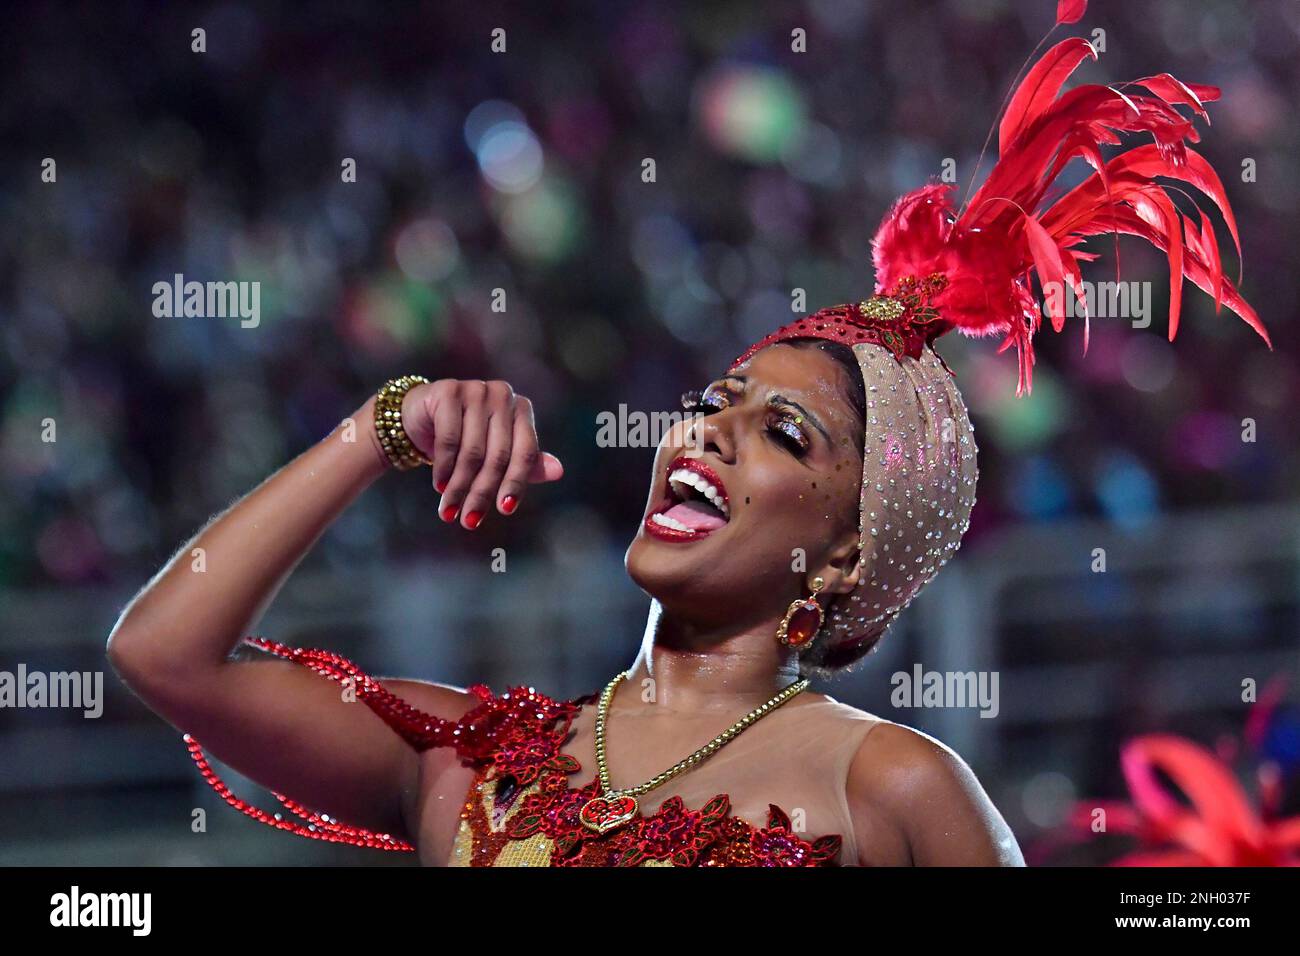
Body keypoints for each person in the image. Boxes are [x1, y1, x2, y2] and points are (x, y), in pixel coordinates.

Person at [106, 5, 1266, 867]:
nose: (707, 434)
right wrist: (380, 426)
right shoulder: (472, 754)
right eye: (715, 400)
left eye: (785, 434)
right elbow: (166, 655)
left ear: (849, 552)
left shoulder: (894, 787)